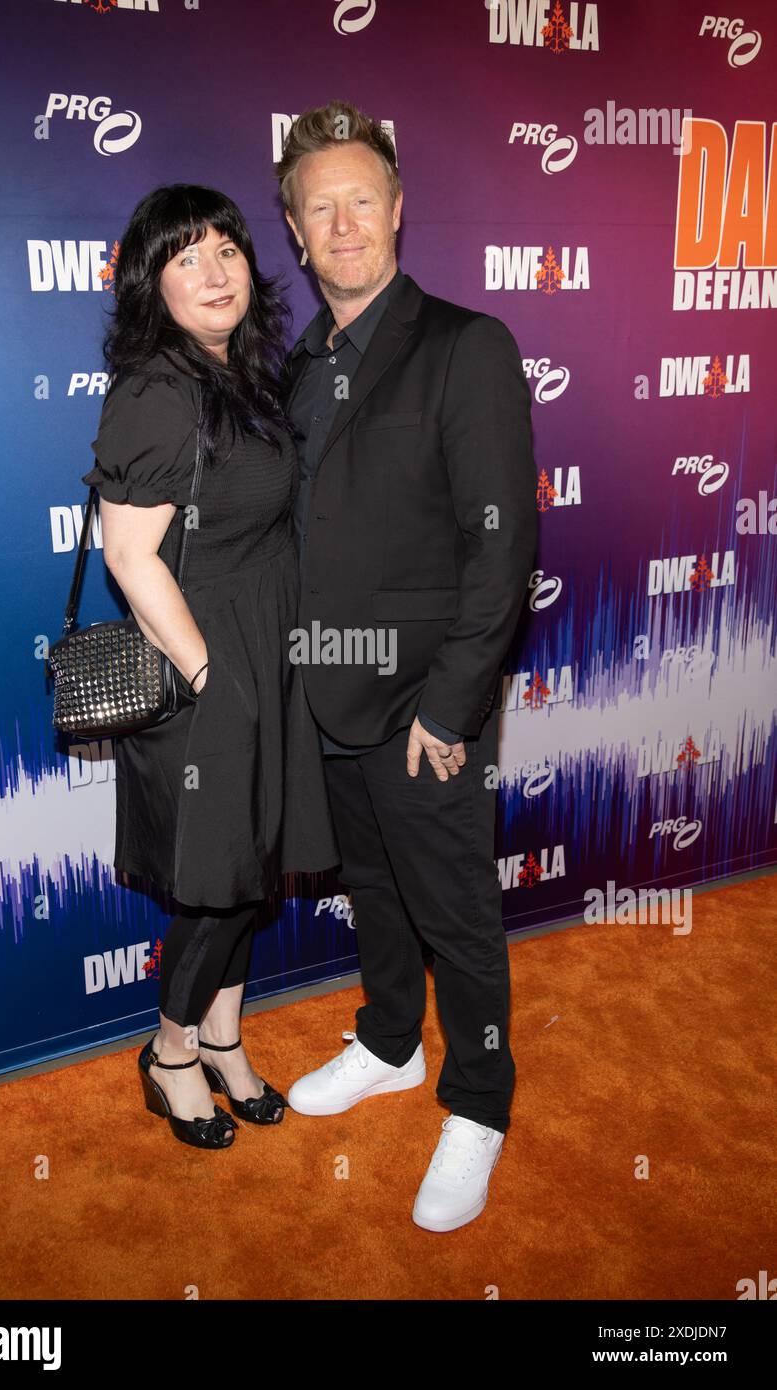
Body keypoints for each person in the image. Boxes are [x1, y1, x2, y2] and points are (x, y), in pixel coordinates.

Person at [275, 102, 538, 1230]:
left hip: (424, 706)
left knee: (456, 912)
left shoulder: (465, 347)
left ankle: (478, 1097)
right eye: (319, 207)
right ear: (292, 232)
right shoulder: (301, 363)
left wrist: (452, 706)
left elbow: (503, 549)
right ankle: (388, 1042)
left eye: (361, 201)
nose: (343, 224)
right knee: (374, 891)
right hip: (326, 694)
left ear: (398, 210)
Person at [80, 184, 339, 1151]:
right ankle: (170, 1052)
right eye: (184, 257)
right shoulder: (155, 389)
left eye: (224, 247)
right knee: (216, 882)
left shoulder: (237, 375)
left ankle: (226, 1037)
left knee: (251, 868)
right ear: (152, 285)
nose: (214, 269)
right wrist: (204, 676)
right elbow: (128, 556)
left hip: (266, 655)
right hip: (207, 669)